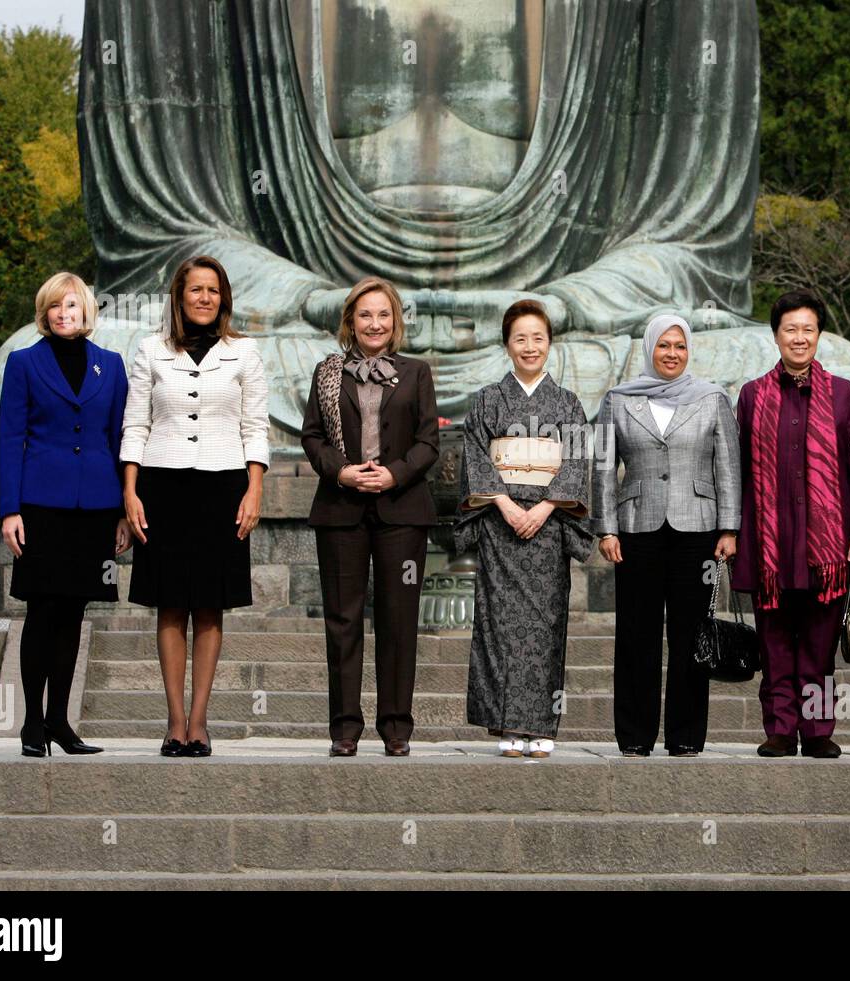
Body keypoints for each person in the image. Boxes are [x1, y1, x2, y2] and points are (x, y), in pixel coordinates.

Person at [120, 256, 270, 758]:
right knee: (170, 603)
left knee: (210, 605)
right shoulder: (149, 351)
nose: (204, 298)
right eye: (195, 290)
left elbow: (256, 427)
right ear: (179, 297)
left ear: (223, 298)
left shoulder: (245, 353)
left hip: (223, 485)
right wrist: (130, 492)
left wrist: (254, 490)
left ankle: (201, 723)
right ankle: (174, 721)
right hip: (162, 486)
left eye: (213, 290)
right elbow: (135, 425)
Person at [300, 276, 439, 758]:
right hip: (342, 512)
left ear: (395, 321)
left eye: (383, 314)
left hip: (402, 513)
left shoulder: (417, 373)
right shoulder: (328, 372)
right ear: (350, 322)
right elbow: (313, 438)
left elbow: (428, 443)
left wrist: (392, 476)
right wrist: (343, 473)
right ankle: (344, 728)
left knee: (399, 620)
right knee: (343, 620)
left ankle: (397, 726)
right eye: (364, 315)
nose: (374, 323)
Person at [592, 314, 741, 757]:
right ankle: (634, 735)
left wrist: (729, 527)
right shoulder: (617, 400)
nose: (672, 353)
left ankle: (686, 735)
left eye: (679, 345)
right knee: (636, 634)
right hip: (637, 528)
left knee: (691, 634)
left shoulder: (712, 398)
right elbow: (602, 468)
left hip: (698, 529)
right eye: (663, 346)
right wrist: (605, 527)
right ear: (649, 349)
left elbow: (727, 466)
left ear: (688, 349)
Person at [734, 290, 850, 759]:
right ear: (775, 336)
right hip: (770, 543)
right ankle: (779, 728)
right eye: (790, 329)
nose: (799, 337)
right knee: (774, 642)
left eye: (808, 329)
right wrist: (733, 534)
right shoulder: (752, 396)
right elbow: (739, 471)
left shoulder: (843, 396)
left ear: (820, 336)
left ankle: (816, 730)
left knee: (818, 643)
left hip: (827, 545)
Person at [0, 272, 131, 757]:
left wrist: (122, 511)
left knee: (74, 612)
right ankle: (32, 722)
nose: (62, 313)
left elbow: (120, 440)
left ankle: (61, 722)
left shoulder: (112, 367)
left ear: (86, 312)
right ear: (44, 312)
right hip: (40, 506)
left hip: (95, 508)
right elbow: (10, 439)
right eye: (54, 306)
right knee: (42, 610)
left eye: (71, 305)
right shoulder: (23, 363)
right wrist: (9, 509)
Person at [456, 300, 594, 759]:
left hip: (549, 526)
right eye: (520, 338)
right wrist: (504, 504)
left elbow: (576, 461)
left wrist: (546, 507)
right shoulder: (488, 401)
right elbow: (476, 455)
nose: (529, 347)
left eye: (538, 338)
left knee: (546, 623)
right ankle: (507, 726)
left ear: (549, 344)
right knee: (498, 622)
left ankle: (541, 725)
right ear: (507, 345)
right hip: (500, 524)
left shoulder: (568, 404)